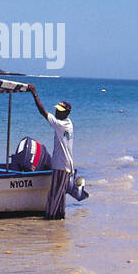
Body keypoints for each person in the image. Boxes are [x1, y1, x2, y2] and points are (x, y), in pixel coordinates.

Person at [27, 84, 86, 219]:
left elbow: (42, 112)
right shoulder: (68, 122)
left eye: (60, 111)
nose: (57, 112)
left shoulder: (61, 124)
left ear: (66, 113)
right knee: (60, 197)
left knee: (54, 195)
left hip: (61, 165)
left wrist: (34, 94)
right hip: (65, 165)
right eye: (57, 110)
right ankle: (59, 225)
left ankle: (50, 221)